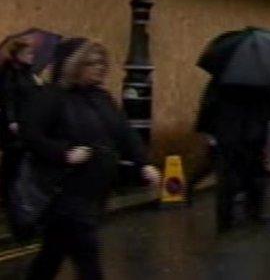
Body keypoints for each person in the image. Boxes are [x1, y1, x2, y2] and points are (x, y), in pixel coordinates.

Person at [22, 38, 159, 279]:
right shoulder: (52, 97)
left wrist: (143, 163)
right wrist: (63, 152)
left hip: (93, 191)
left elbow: (124, 133)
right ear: (74, 65)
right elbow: (31, 135)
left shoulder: (101, 98)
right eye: (93, 63)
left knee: (52, 254)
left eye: (103, 62)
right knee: (87, 257)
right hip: (64, 190)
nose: (101, 67)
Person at [195, 78, 270, 232]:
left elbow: (208, 107)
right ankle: (254, 211)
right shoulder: (262, 79)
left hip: (228, 134)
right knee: (256, 174)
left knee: (227, 177)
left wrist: (209, 131)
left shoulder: (219, 80)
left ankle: (225, 218)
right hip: (252, 134)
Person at [0, 39, 41, 210]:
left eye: (32, 53)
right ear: (18, 55)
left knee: (22, 159)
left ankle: (13, 194)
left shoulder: (29, 73)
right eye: (28, 53)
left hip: (27, 121)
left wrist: (39, 85)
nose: (32, 56)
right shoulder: (10, 73)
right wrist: (12, 120)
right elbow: (7, 98)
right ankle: (5, 195)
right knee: (12, 158)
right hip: (13, 125)